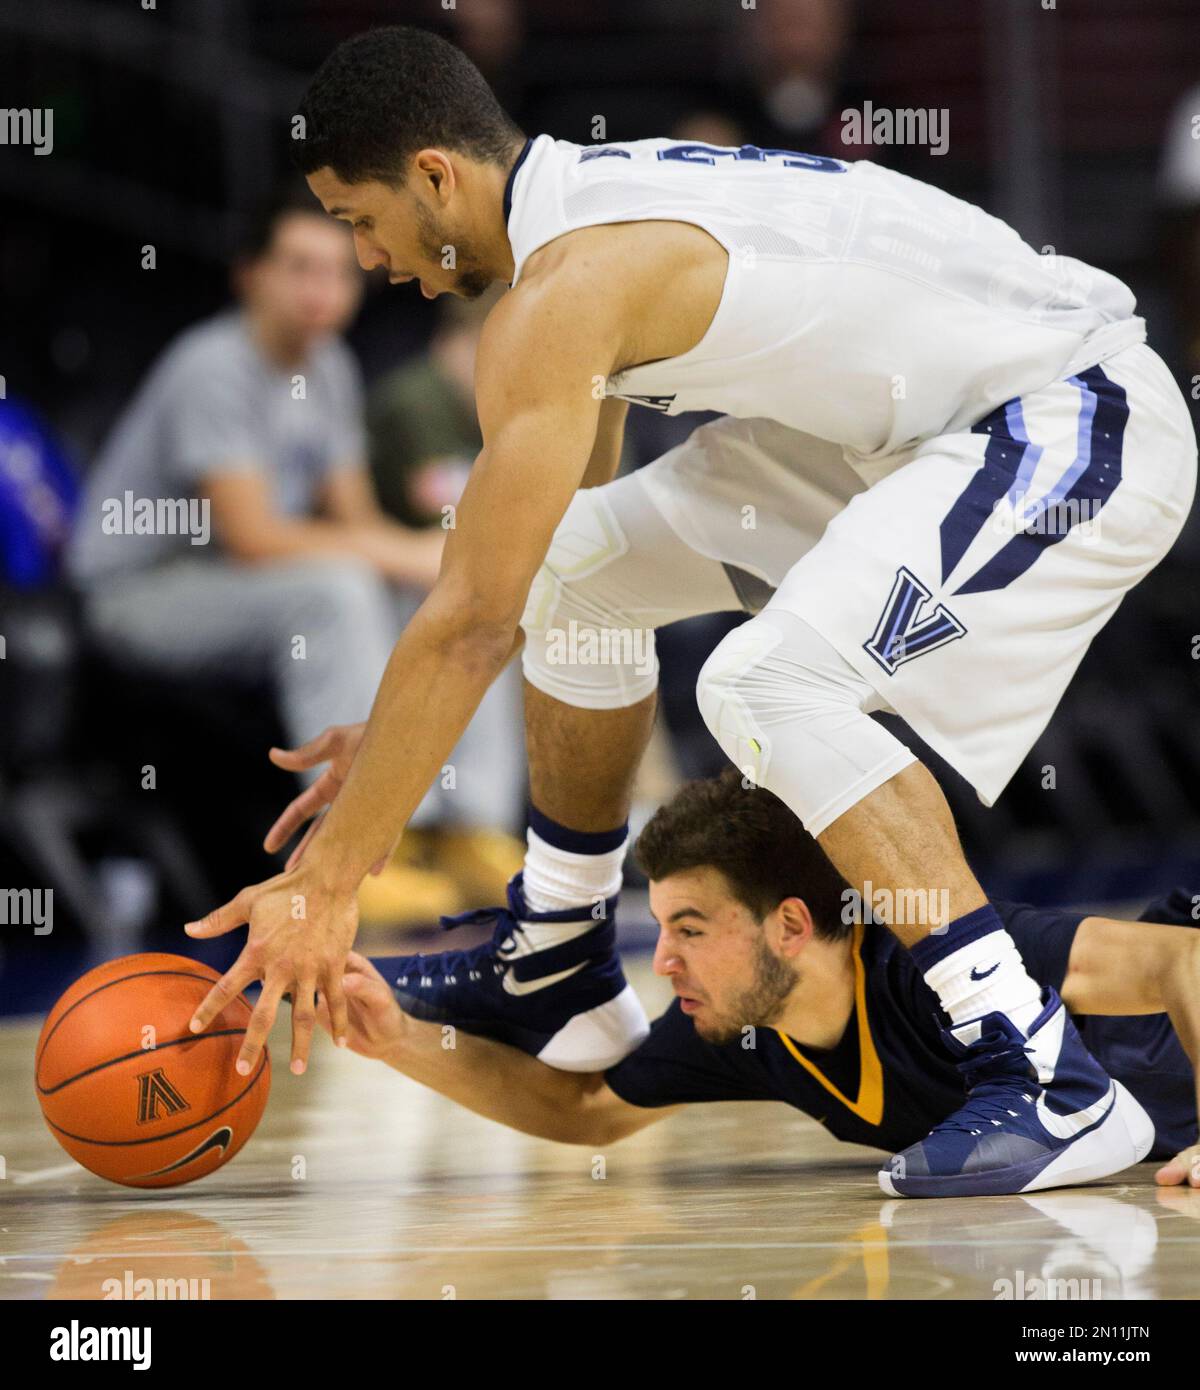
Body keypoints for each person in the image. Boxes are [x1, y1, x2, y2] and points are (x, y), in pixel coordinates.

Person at [185, 26, 1197, 1199]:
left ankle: (1045, 1076)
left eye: (359, 219)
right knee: (581, 565)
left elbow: (465, 620)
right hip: (907, 431)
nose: (363, 257)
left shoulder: (569, 288)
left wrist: (325, 885)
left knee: (763, 683)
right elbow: (523, 579)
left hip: (1065, 414)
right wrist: (389, 759)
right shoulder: (579, 221)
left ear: (433, 178)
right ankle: (557, 957)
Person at [318, 769, 1200, 1197]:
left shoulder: (950, 960)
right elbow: (584, 1108)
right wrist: (395, 1040)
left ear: (789, 924)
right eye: (662, 929)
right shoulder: (749, 1029)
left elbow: (1182, 961)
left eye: (690, 931)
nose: (662, 962)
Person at [68, 186, 514, 921]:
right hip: (138, 592)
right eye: (300, 268)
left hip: (236, 584)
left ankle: (466, 828)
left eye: (339, 272)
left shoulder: (329, 366)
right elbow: (253, 535)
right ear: (251, 274)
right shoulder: (211, 365)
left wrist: (427, 562)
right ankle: (360, 851)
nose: (322, 290)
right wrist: (402, 551)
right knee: (336, 586)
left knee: (453, 592)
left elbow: (355, 519)